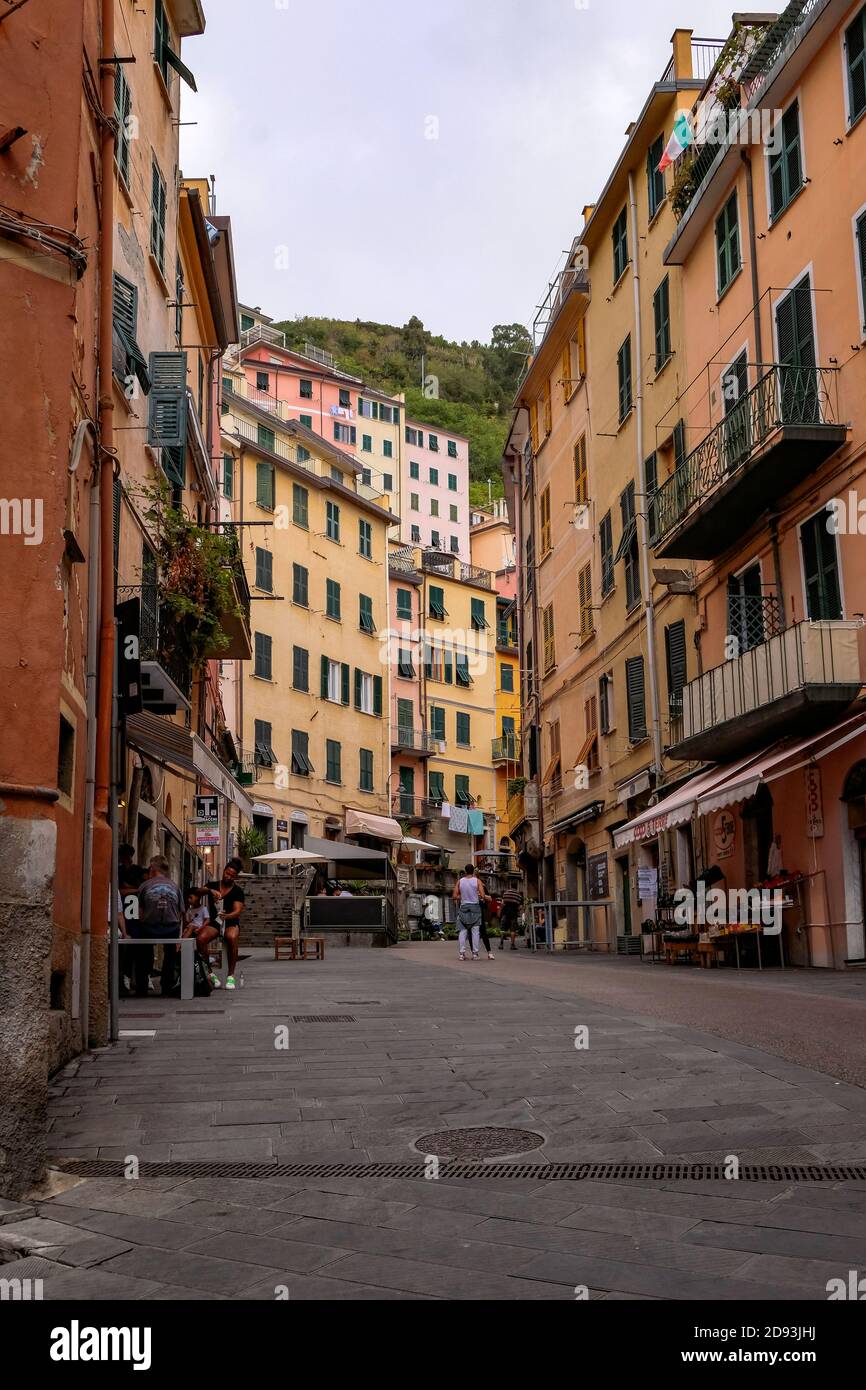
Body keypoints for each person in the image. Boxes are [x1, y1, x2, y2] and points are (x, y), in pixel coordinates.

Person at [126, 855, 184, 997]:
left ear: (152, 868)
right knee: (170, 955)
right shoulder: (175, 887)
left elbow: (139, 912)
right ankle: (167, 987)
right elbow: (181, 912)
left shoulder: (144, 886)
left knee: (143, 954)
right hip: (171, 927)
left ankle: (142, 988)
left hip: (149, 927)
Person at [195, 861, 245, 990]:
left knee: (232, 937)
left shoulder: (237, 891)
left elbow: (237, 911)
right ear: (223, 871)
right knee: (200, 939)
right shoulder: (213, 885)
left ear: (236, 877)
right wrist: (210, 891)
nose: (228, 876)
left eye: (232, 875)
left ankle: (231, 975)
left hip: (230, 921)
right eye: (227, 873)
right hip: (215, 922)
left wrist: (227, 916)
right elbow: (198, 892)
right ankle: (210, 973)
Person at [453, 864, 486, 962]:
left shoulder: (460, 881)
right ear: (473, 871)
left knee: (462, 931)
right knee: (475, 931)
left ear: (465, 871)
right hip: (475, 907)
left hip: (463, 907)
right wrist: (478, 896)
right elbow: (483, 895)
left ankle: (462, 954)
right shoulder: (477, 881)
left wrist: (462, 897)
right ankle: (475, 954)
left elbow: (455, 896)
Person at [499, 880, 524, 951]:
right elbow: (520, 907)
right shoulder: (519, 895)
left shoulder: (506, 893)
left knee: (502, 929)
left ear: (510, 886)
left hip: (505, 913)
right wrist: (517, 910)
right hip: (514, 914)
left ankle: (501, 944)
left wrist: (501, 911)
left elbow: (502, 903)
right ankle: (512, 945)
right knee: (513, 929)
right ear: (517, 886)